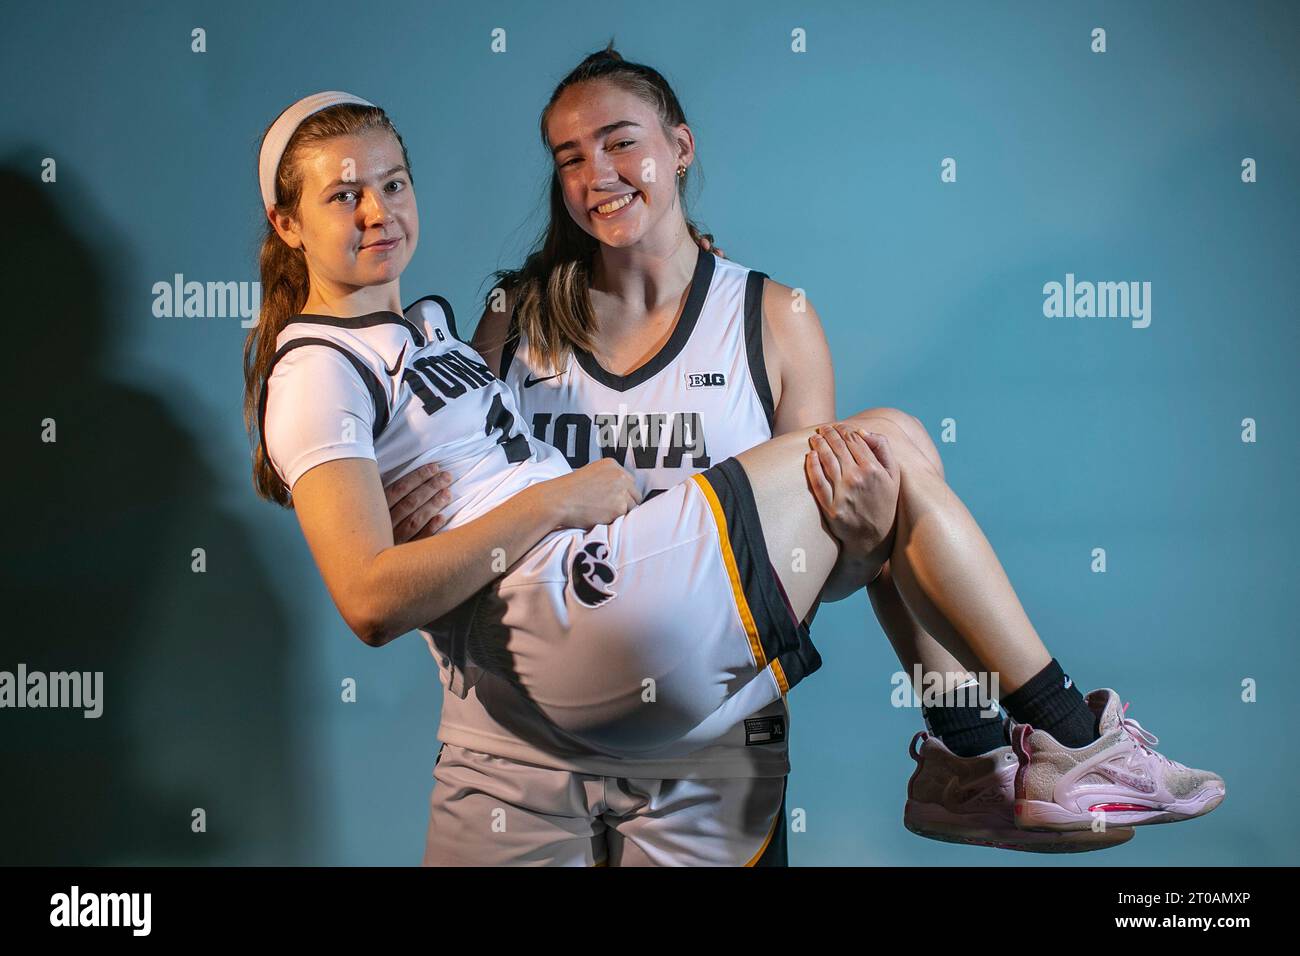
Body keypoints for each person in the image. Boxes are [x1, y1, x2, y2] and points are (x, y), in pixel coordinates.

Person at [245, 89, 1225, 866]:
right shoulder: (447, 332)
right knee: (888, 440)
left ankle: (981, 752)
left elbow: (826, 559)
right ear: (288, 225)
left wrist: (861, 522)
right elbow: (376, 587)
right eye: (343, 194)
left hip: (678, 699)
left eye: (394, 182)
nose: (378, 209)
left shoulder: (432, 330)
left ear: (680, 145)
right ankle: (1039, 738)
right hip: (538, 702)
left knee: (889, 451)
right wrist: (560, 495)